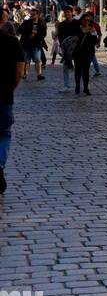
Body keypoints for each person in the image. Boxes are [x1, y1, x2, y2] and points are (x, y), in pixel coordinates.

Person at [0, 21, 25, 194]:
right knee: (3, 134)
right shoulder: (11, 41)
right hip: (4, 96)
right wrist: (10, 88)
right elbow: (19, 72)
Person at [72, 14, 99, 95]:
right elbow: (75, 39)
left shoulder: (92, 30)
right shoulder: (77, 29)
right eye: (85, 20)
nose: (86, 22)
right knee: (78, 70)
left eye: (88, 20)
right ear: (81, 20)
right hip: (78, 52)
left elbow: (94, 42)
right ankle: (77, 87)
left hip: (88, 53)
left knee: (86, 71)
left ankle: (86, 88)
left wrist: (93, 33)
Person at [17, 12, 46, 82]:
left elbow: (43, 34)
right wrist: (29, 34)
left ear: (38, 15)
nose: (32, 16)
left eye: (34, 14)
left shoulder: (41, 24)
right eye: (31, 14)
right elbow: (19, 30)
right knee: (26, 60)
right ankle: (25, 73)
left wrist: (37, 38)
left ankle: (39, 74)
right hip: (26, 44)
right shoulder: (26, 22)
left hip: (36, 44)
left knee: (37, 59)